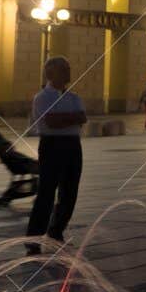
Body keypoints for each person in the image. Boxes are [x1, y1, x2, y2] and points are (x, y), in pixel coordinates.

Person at [26, 56, 86, 254]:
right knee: (46, 192)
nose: (69, 72)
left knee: (70, 191)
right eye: (64, 68)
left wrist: (63, 118)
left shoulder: (74, 97)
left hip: (72, 145)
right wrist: (71, 118)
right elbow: (50, 122)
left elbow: (82, 118)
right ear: (51, 73)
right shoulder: (42, 97)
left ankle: (56, 230)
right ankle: (34, 238)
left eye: (68, 68)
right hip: (52, 145)